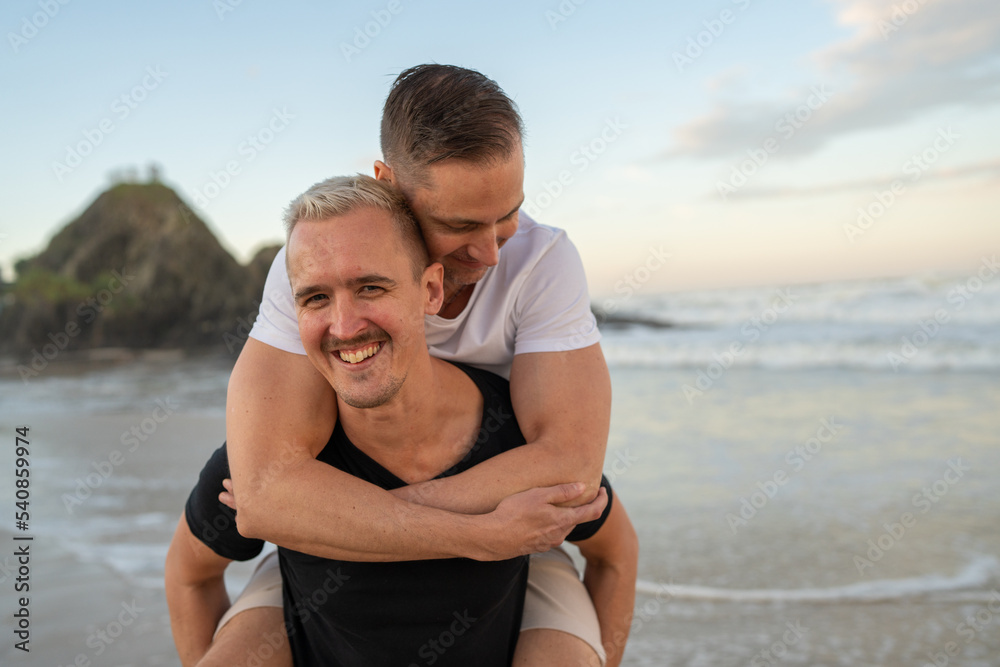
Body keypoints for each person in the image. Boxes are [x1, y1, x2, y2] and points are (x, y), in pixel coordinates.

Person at [222, 64, 625, 664]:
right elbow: (263, 493)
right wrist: (462, 532)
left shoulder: (542, 260)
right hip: (344, 546)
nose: (491, 253)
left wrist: (338, 515)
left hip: (515, 535)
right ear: (388, 182)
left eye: (508, 212)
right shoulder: (319, 267)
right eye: (459, 224)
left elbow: (570, 465)